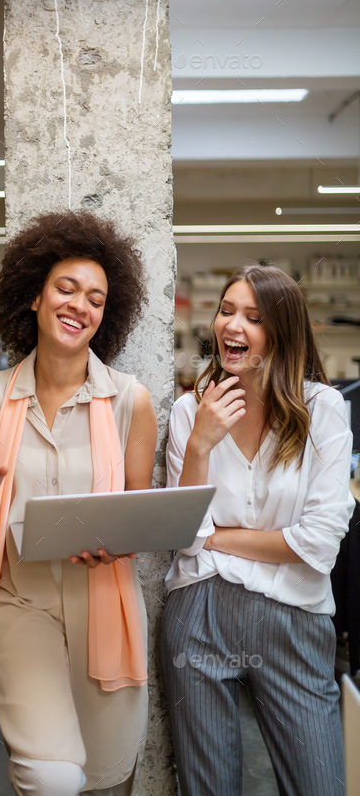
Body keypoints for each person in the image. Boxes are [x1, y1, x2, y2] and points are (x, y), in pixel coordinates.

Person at [0, 211, 158, 796]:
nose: (79, 305)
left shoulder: (129, 401)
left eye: (95, 297)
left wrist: (116, 538)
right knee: (50, 776)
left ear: (106, 315)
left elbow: (139, 515)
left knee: (106, 777)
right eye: (66, 289)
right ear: (34, 299)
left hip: (105, 603)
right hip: (22, 604)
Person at [161, 264, 354, 796]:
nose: (232, 326)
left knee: (319, 783)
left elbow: (317, 543)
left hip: (293, 619)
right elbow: (182, 535)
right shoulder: (188, 412)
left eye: (253, 317)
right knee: (208, 788)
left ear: (282, 332)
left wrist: (216, 535)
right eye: (226, 311)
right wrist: (200, 443)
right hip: (199, 614)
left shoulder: (322, 410)